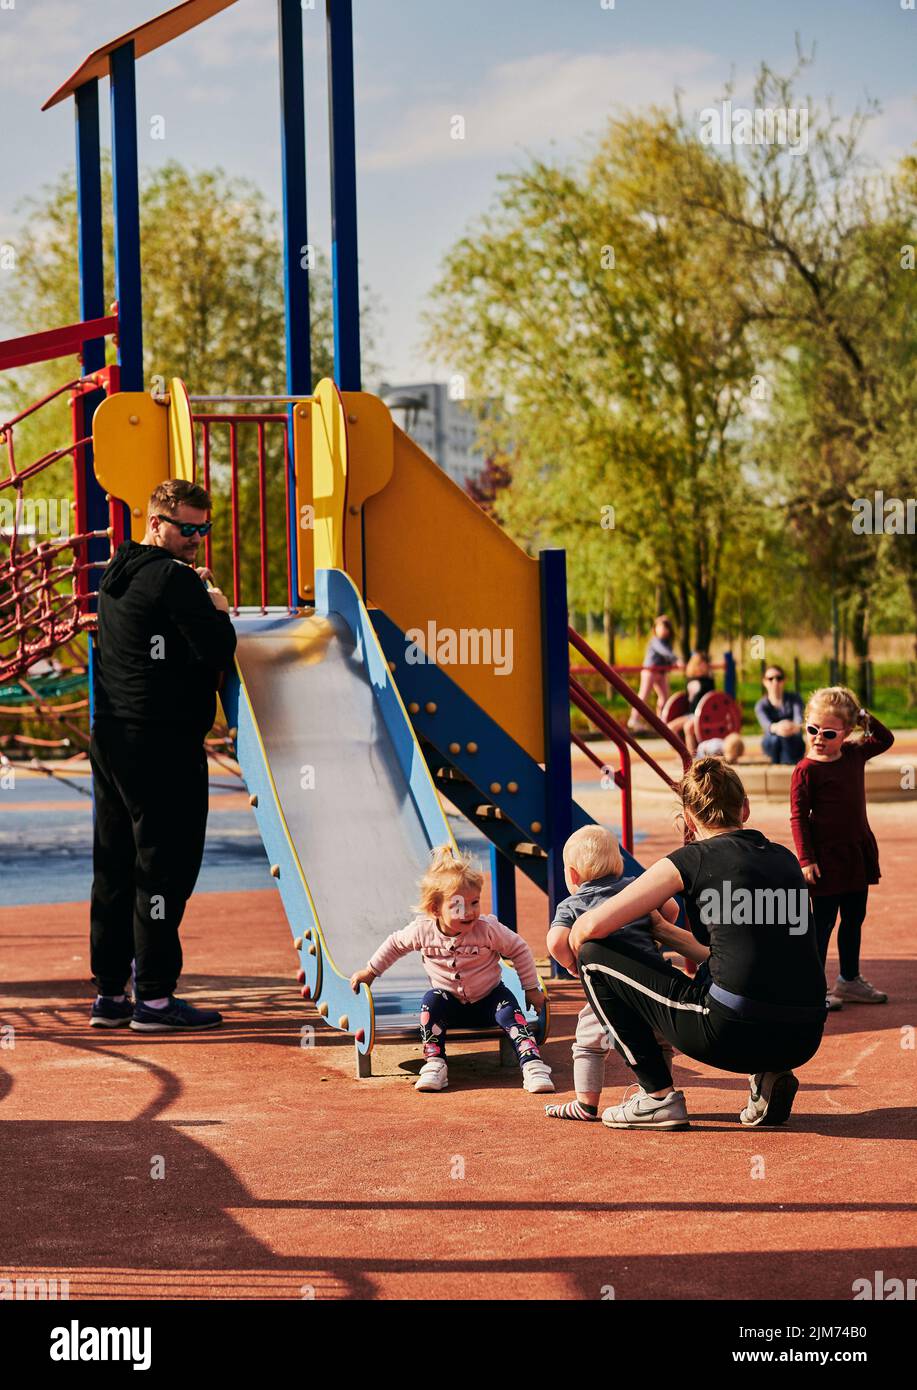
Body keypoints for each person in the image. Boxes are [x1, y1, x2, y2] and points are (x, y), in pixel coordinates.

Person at [567, 758, 826, 1130]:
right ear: (745, 808)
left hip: (730, 1033)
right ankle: (767, 1075)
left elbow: (590, 926)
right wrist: (663, 931)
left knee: (593, 957)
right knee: (747, 970)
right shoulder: (784, 858)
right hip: (805, 1035)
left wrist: (579, 957)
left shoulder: (691, 858)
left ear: (688, 820)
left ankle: (656, 1096)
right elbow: (738, 952)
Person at [89, 480, 237, 1032]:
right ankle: (153, 998)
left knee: (114, 867)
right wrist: (214, 605)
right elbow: (220, 648)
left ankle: (110, 993)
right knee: (163, 870)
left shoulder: (115, 576)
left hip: (113, 739)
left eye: (204, 529)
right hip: (163, 745)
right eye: (187, 528)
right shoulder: (175, 579)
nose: (197, 538)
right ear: (157, 523)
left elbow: (159, 635)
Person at [349, 845, 553, 1094]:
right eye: (457, 906)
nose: (469, 912)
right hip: (449, 1005)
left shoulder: (487, 929)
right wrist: (370, 972)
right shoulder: (422, 930)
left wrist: (530, 988)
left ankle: (532, 1065)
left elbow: (519, 948)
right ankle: (435, 1063)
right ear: (436, 909)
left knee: (510, 1012)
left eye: (474, 902)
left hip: (491, 999)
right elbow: (394, 944)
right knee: (430, 1003)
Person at [543, 825, 680, 1122]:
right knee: (659, 1042)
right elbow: (670, 907)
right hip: (652, 987)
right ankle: (659, 1093)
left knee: (588, 1043)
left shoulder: (573, 904)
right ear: (619, 864)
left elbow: (554, 942)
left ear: (573, 875)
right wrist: (653, 935)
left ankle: (586, 1103)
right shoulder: (635, 889)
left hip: (611, 993)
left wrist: (571, 964)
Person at [790, 687, 893, 1011]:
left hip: (855, 855)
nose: (819, 737)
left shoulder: (853, 753)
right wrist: (806, 859)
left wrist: (862, 715)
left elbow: (884, 739)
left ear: (846, 732)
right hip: (824, 861)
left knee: (854, 918)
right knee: (822, 925)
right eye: (812, 729)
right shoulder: (805, 770)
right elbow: (798, 818)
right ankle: (813, 988)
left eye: (829, 732)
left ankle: (848, 980)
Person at [628, 616, 676, 731]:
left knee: (664, 697)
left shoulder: (667, 642)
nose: (663, 630)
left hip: (661, 672)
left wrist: (672, 663)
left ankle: (661, 720)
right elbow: (665, 653)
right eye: (661, 627)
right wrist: (675, 659)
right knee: (644, 695)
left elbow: (667, 656)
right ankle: (634, 719)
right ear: (655, 629)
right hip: (650, 671)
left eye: (666, 628)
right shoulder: (655, 641)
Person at [666, 651, 716, 755]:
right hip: (690, 714)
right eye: (700, 664)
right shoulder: (690, 680)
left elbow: (710, 700)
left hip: (701, 715)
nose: (703, 666)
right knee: (670, 728)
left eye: (704, 664)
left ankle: (691, 756)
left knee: (688, 727)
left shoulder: (708, 681)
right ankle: (682, 752)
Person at [756, 666, 805, 765]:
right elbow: (767, 726)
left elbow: (799, 722)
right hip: (772, 743)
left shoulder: (795, 699)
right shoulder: (760, 705)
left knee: (790, 739)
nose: (775, 682)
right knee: (775, 739)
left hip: (793, 740)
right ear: (764, 682)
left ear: (784, 680)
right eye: (770, 679)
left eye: (779, 678)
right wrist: (780, 728)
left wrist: (789, 728)